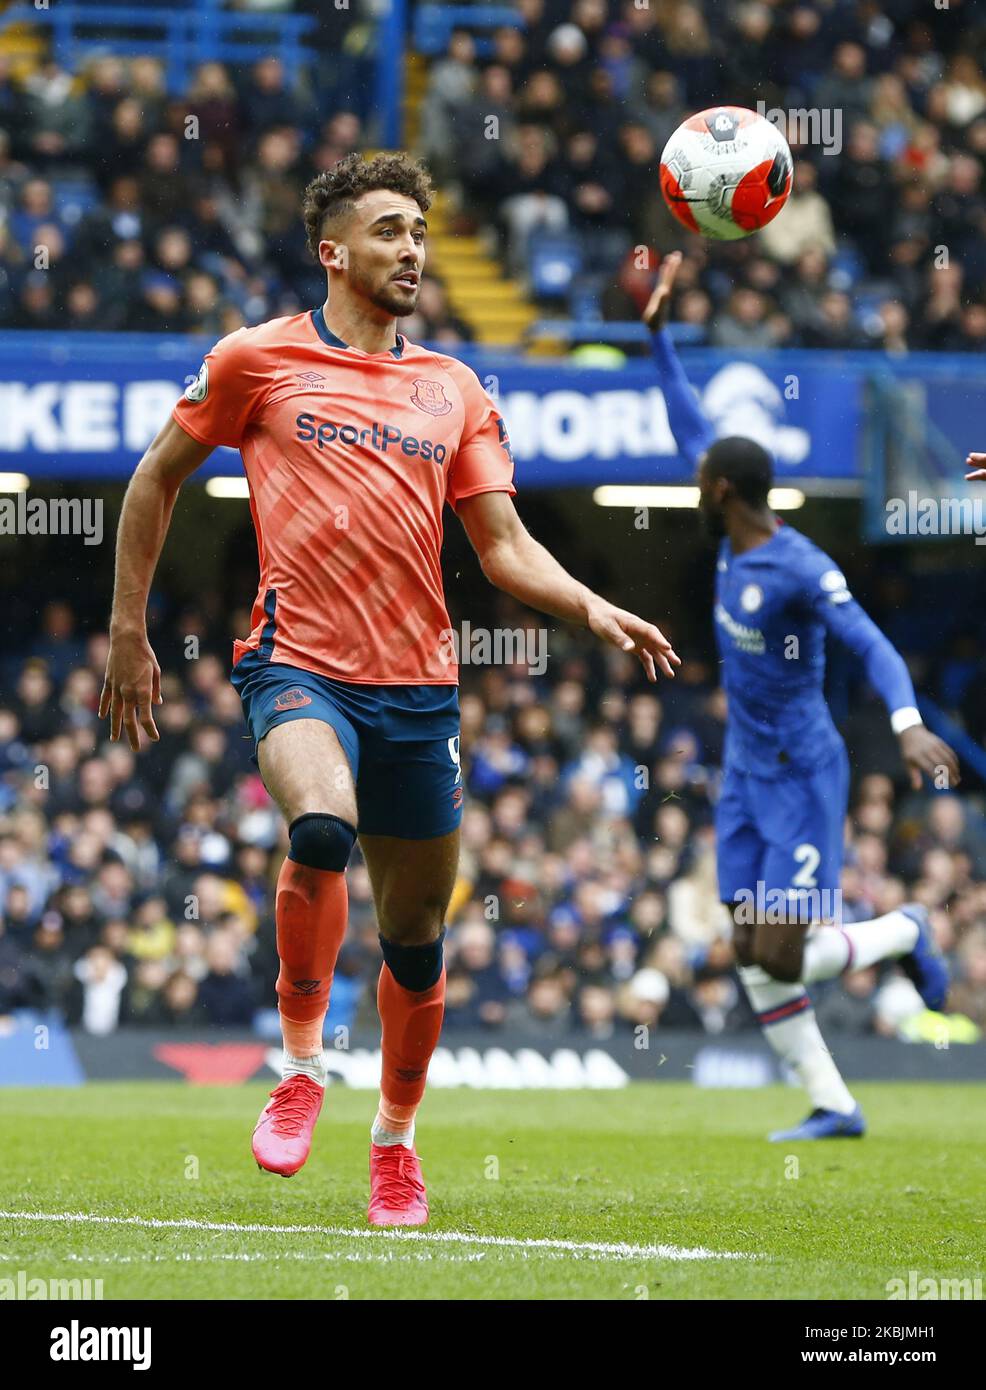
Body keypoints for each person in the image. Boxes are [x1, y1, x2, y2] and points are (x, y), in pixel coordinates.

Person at [99, 152, 680, 1226]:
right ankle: (301, 1064)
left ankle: (394, 1141)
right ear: (333, 251)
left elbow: (501, 546)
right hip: (297, 662)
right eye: (388, 231)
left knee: (415, 945)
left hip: (418, 688)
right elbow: (153, 478)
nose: (411, 248)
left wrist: (588, 603)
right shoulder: (253, 359)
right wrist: (130, 630)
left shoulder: (453, 387)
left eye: (417, 230)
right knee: (319, 828)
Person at [642, 251, 959, 1142]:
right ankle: (834, 1103)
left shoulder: (799, 566)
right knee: (750, 951)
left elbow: (868, 642)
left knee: (783, 952)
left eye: (701, 477)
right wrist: (658, 337)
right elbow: (683, 418)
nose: (691, 477)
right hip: (744, 768)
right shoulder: (727, 521)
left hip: (804, 772)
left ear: (722, 493)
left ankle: (904, 928)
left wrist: (904, 722)